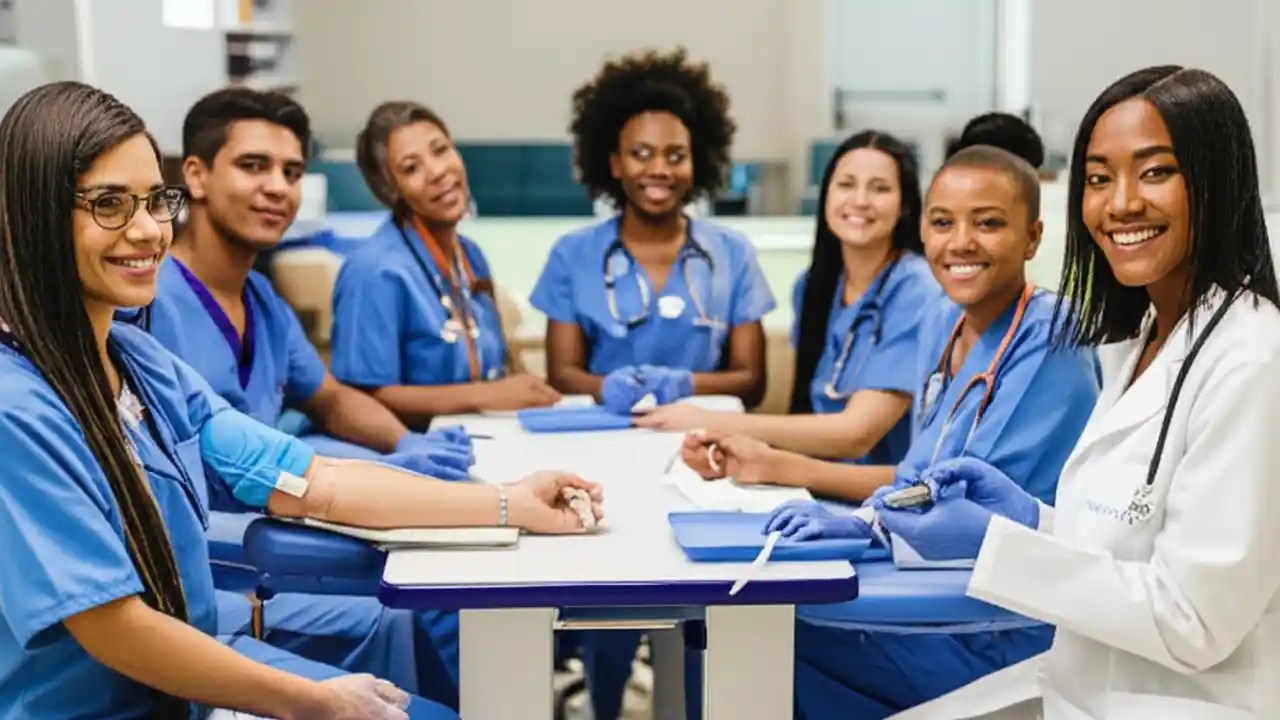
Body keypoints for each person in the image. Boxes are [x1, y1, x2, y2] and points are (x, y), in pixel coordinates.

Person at [0, 81, 603, 720]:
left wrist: (510, 502)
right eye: (111, 204)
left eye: (154, 201)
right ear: (36, 212)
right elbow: (116, 627)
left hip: (184, 695)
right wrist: (313, 701)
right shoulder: (19, 408)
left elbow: (316, 482)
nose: (149, 230)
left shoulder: (142, 366)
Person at [879, 65, 1280, 720]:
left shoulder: (1252, 360)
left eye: (1155, 172)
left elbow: (1193, 619)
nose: (1119, 203)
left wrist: (994, 546)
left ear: (1217, 182)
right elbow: (1128, 541)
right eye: (1098, 178)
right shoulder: (1145, 338)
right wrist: (1031, 520)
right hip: (1084, 690)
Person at [684, 134, 1101, 717]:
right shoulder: (951, 332)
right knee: (734, 630)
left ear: (1032, 236)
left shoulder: (1050, 335)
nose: (961, 243)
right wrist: (844, 513)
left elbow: (956, 514)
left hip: (999, 625)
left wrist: (863, 522)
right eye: (943, 222)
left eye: (987, 224)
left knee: (762, 639)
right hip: (940, 595)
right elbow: (914, 478)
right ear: (923, 230)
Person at [144, 88, 472, 477]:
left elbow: (330, 399)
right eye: (253, 166)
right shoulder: (149, 303)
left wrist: (405, 443)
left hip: (264, 510)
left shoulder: (264, 304)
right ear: (196, 176)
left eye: (292, 173)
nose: (278, 187)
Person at [637, 130, 941, 468]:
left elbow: (856, 435)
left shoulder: (917, 290)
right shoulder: (814, 287)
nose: (860, 200)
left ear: (905, 206)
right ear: (825, 195)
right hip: (814, 483)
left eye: (880, 188)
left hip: (879, 500)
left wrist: (707, 419)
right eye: (846, 185)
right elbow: (805, 413)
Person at [529, 47, 776, 417]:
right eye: (641, 154)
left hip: (705, 439)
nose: (659, 169)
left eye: (676, 156)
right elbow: (562, 375)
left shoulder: (732, 254)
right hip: (601, 435)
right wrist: (608, 388)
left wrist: (681, 384)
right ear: (614, 163)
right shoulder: (573, 254)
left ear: (698, 163)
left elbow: (752, 382)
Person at [328, 101, 562, 424]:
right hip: (410, 455)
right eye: (412, 168)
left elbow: (496, 367)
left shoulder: (471, 257)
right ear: (388, 188)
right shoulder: (373, 272)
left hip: (488, 437)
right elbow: (362, 397)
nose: (438, 171)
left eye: (441, 150)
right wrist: (483, 396)